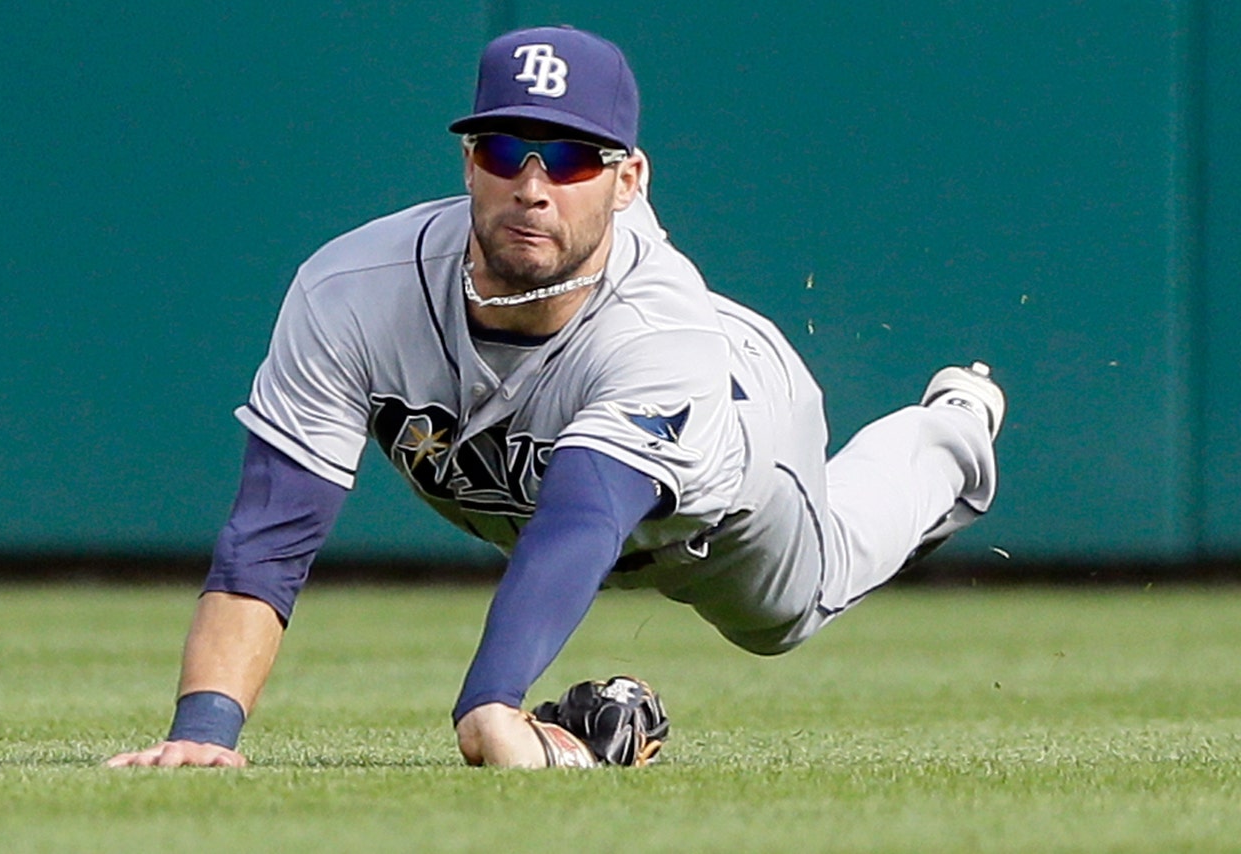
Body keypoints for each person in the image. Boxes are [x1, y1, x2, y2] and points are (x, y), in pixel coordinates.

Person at [106, 25, 1004, 770]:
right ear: (468, 162)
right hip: (546, 480)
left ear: (629, 179)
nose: (532, 188)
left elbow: (580, 518)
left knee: (792, 606)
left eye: (573, 159)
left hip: (727, 456)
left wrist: (489, 706)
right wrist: (203, 733)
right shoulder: (351, 290)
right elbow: (271, 532)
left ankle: (950, 431)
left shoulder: (662, 330)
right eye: (507, 150)